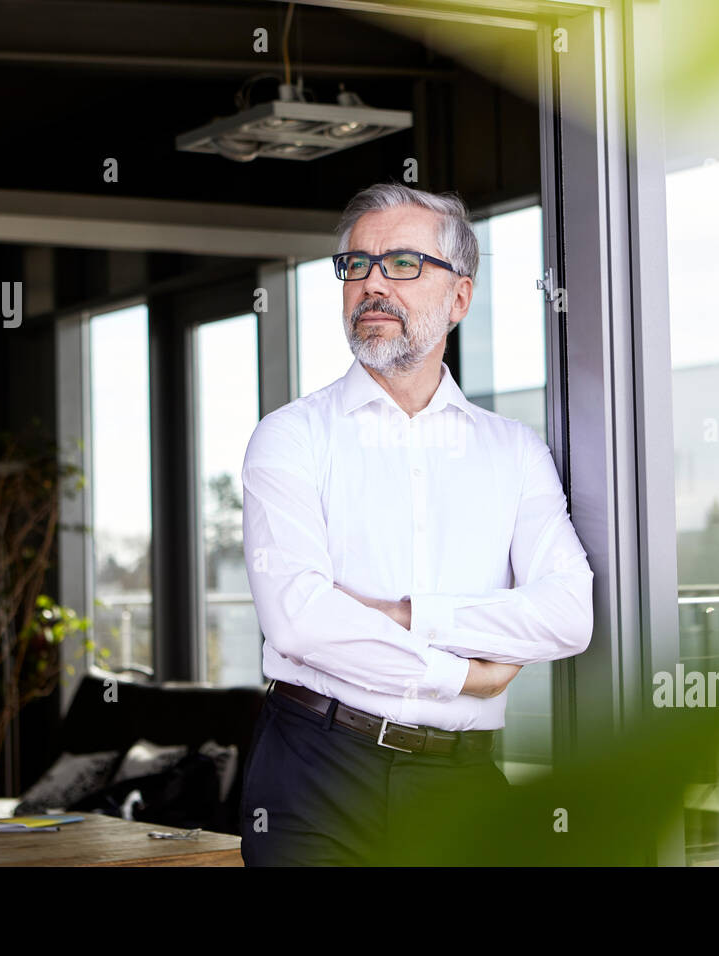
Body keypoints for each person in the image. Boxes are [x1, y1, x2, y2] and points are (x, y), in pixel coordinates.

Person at [238, 181, 594, 865]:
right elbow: (299, 621)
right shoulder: (290, 439)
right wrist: (463, 675)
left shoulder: (513, 452)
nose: (373, 284)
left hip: (462, 783)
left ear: (459, 297)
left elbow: (568, 614)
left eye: (402, 264)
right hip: (315, 771)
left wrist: (406, 615)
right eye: (356, 266)